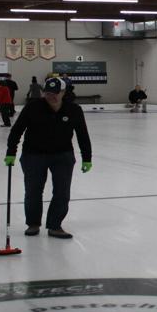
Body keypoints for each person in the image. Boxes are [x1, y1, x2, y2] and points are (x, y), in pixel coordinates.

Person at [5, 76, 92, 239]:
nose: (51, 96)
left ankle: (55, 225)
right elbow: (17, 130)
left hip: (62, 156)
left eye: (55, 93)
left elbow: (82, 135)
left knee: (62, 192)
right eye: (48, 92)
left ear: (64, 92)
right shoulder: (33, 107)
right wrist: (11, 153)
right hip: (33, 155)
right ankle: (33, 223)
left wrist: (87, 157)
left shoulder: (74, 110)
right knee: (33, 191)